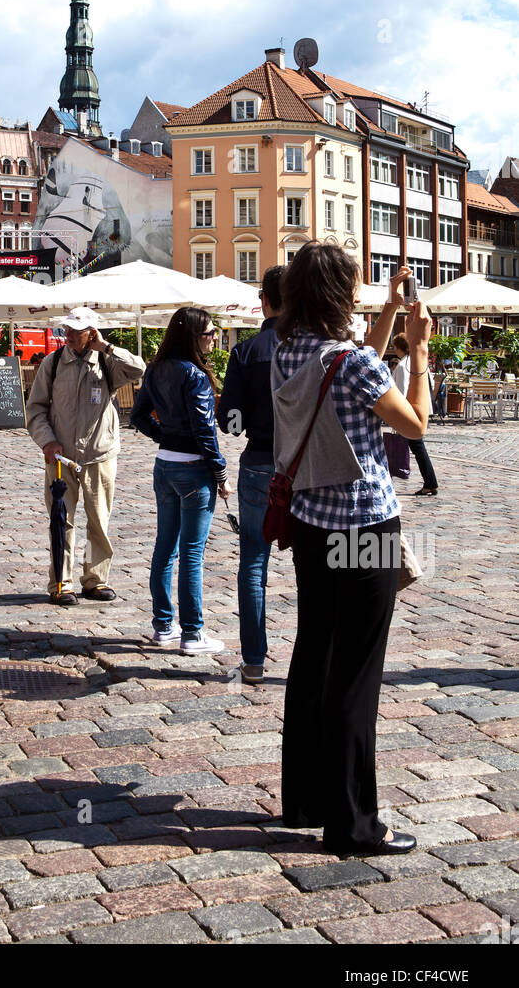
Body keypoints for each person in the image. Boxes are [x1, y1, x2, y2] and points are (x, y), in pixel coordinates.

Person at [273, 244, 431, 857]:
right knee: (356, 674)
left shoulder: (287, 350)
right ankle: (355, 823)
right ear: (341, 295)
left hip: (311, 524)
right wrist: (417, 352)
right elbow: (415, 424)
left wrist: (390, 314)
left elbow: (353, 356)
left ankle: (306, 800)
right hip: (363, 530)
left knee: (314, 653)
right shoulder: (354, 363)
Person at [26, 306, 146, 605]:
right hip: (61, 458)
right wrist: (47, 442)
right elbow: (36, 409)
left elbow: (139, 369)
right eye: (66, 330)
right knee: (61, 520)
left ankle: (95, 579)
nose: (66, 335)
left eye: (74, 332)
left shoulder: (107, 362)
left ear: (91, 334)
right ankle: (61, 583)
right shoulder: (53, 363)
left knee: (98, 523)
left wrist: (105, 347)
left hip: (99, 455)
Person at [131, 306, 231, 654]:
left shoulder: (156, 368)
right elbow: (206, 431)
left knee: (165, 546)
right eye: (209, 333)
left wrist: (164, 436)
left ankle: (163, 626)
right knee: (191, 552)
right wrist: (220, 471)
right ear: (193, 337)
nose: (214, 338)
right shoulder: (195, 375)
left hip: (165, 465)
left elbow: (138, 415)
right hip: (192, 468)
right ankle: (192, 633)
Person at [217, 265, 286, 683]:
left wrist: (243, 418)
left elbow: (231, 421)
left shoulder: (246, 351)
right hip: (305, 466)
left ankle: (254, 659)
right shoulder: (314, 347)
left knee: (253, 563)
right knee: (313, 565)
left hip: (259, 460)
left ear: (264, 301)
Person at [392, 332, 438, 496]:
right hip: (420, 410)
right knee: (417, 447)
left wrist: (398, 416)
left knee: (417, 447)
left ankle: (430, 482)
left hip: (410, 413)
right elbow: (430, 385)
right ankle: (430, 482)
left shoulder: (403, 365)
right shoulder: (419, 362)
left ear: (399, 348)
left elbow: (401, 391)